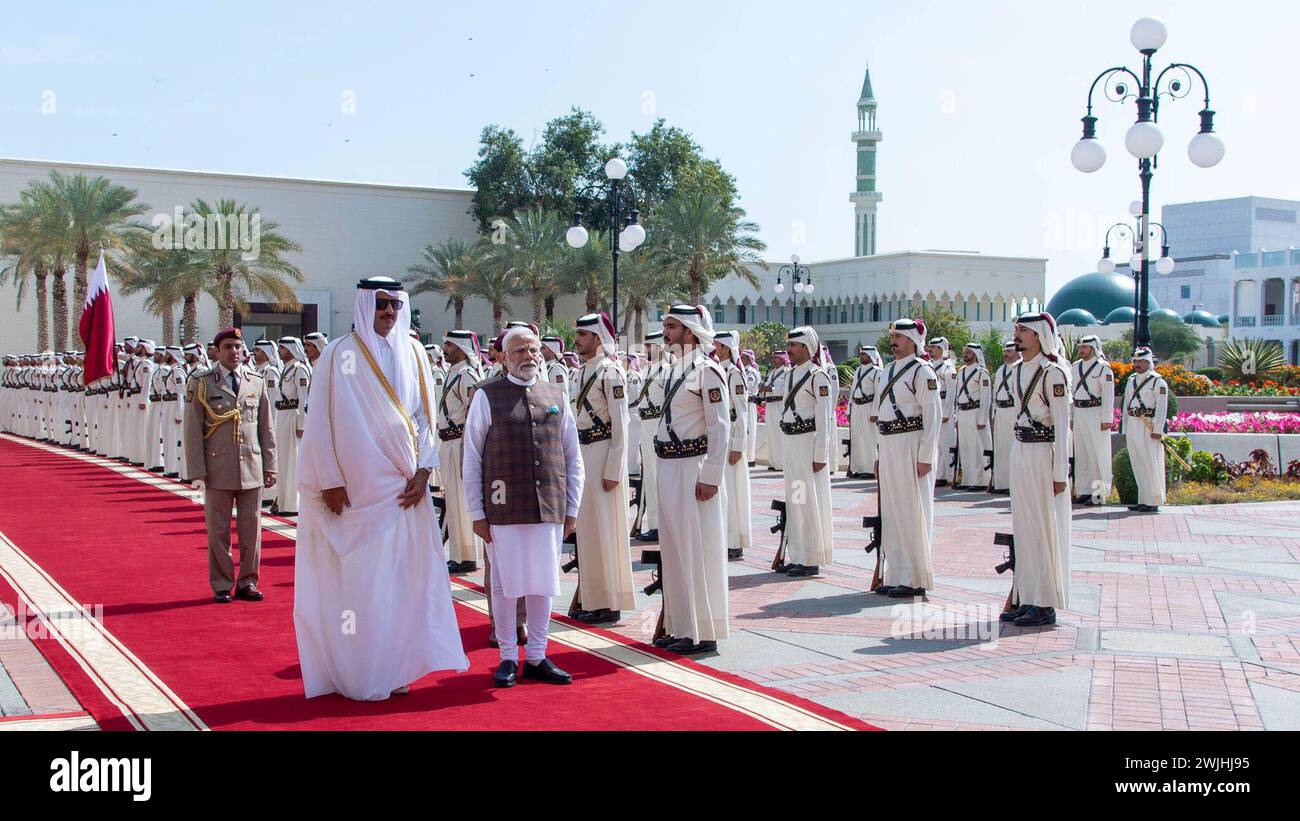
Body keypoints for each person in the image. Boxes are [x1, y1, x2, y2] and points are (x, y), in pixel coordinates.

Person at [293, 276, 468, 700]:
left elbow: (426, 418)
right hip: (356, 492)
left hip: (406, 490)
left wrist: (426, 470)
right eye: (381, 304)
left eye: (394, 304)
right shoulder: (339, 355)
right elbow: (321, 423)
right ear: (364, 305)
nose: (389, 312)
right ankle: (359, 669)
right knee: (363, 585)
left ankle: (396, 666)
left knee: (402, 583)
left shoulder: (413, 353)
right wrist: (330, 480)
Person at [463, 326, 583, 687]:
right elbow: (471, 458)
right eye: (519, 351)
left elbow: (572, 456)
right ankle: (506, 658)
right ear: (502, 357)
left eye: (533, 350)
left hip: (547, 506)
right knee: (504, 585)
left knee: (542, 583)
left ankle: (537, 656)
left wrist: (572, 508)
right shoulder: (487, 396)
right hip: (502, 509)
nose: (529, 357)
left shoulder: (556, 395)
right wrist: (476, 512)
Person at [653, 305, 731, 654]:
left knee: (696, 550)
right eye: (666, 326)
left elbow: (720, 427)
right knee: (673, 551)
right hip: (669, 465)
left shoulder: (707, 371)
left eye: (672, 326)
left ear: (689, 331)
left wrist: (712, 475)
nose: (666, 332)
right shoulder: (673, 370)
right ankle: (681, 625)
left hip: (693, 467)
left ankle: (702, 632)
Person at [182, 327, 277, 603]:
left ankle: (248, 582)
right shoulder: (202, 383)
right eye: (228, 347)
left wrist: (271, 465)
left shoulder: (255, 381)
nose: (235, 352)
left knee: (252, 530)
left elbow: (266, 429)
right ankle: (222, 583)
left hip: (252, 468)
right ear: (216, 351)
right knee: (219, 531)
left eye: (238, 346)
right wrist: (197, 472)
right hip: (218, 468)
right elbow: (192, 431)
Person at [1004, 312, 1072, 627]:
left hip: (1043, 452)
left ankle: (1044, 603)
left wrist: (1061, 473)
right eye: (1016, 329)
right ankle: (1027, 595)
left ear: (1039, 335)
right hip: (1021, 449)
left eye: (1023, 330)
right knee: (1025, 527)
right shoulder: (1018, 371)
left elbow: (1062, 427)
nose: (1017, 335)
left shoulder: (1052, 373)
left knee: (1043, 528)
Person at [569, 312, 635, 624]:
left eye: (583, 334)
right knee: (588, 531)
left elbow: (621, 423)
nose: (578, 340)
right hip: (583, 453)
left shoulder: (610, 372)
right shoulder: (582, 372)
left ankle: (608, 601)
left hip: (602, 452)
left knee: (605, 530)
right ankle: (591, 597)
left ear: (597, 337)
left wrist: (614, 468)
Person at [871, 318, 942, 598]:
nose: (894, 340)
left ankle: (915, 577)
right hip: (889, 444)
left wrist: (926, 455)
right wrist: (879, 454)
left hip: (911, 444)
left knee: (913, 511)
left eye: (899, 336)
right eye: (893, 335)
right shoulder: (887, 370)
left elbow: (933, 416)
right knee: (892, 512)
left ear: (913, 340)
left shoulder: (923, 372)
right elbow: (881, 416)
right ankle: (896, 573)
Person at [775, 327, 835, 577]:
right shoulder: (789, 375)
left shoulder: (818, 376)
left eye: (794, 345)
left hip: (807, 443)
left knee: (808, 501)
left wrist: (820, 455)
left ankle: (810, 557)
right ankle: (797, 554)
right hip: (791, 443)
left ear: (807, 348)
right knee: (795, 499)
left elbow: (825, 418)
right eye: (788, 345)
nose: (789, 349)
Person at [439, 330, 486, 575]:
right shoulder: (453, 373)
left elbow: (472, 414)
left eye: (449, 344)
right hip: (448, 442)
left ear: (460, 347)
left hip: (460, 442)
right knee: (453, 500)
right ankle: (459, 553)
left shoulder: (467, 375)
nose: (444, 348)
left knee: (462, 500)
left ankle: (467, 555)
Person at [713, 329, 751, 561]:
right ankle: (724, 539)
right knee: (722, 490)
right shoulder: (719, 371)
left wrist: (739, 445)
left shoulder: (734, 374)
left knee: (732, 491)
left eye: (717, 345)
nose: (713, 349)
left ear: (726, 348)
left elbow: (742, 410)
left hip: (731, 439)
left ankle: (733, 542)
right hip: (720, 437)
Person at [1120, 347, 1169, 513]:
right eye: (1135, 361)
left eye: (1140, 361)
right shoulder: (1131, 380)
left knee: (1150, 462)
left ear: (1148, 362)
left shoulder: (1158, 382)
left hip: (1148, 424)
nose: (1137, 364)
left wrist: (1158, 429)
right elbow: (1126, 406)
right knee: (1138, 462)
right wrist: (1124, 429)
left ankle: (1153, 500)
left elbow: (1162, 408)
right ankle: (1143, 499)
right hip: (1133, 423)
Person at [634, 329, 671, 542]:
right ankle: (654, 524)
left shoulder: (667, 370)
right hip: (646, 425)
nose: (647, 349)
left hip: (658, 425)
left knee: (660, 477)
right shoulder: (649, 370)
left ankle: (662, 525)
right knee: (649, 476)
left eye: (650, 346)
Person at [1071, 335, 1115, 505]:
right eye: (1080, 347)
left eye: (1085, 347)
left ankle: (1098, 494)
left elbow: (1108, 396)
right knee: (1081, 454)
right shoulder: (1075, 367)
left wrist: (1106, 419)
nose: (1081, 351)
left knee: (1097, 455)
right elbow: (1072, 393)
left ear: (1094, 348)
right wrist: (1072, 416)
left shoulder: (1104, 369)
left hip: (1096, 413)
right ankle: (1083, 491)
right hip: (1080, 412)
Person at [273, 337, 312, 516]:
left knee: (292, 460)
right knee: (283, 460)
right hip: (283, 416)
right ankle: (282, 501)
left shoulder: (299, 369)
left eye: (283, 347)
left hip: (293, 417)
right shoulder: (287, 369)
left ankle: (292, 504)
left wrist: (301, 424)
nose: (280, 350)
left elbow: (304, 400)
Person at [953, 342, 992, 490]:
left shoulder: (982, 373)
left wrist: (982, 418)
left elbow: (986, 397)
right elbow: (958, 395)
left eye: (969, 352)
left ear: (975, 355)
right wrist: (956, 416)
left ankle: (980, 481)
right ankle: (967, 480)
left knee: (977, 447)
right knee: (965, 446)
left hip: (976, 413)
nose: (966, 354)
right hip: (963, 413)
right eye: (965, 352)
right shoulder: (961, 371)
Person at [927, 337, 959, 487]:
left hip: (944, 405)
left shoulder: (948, 368)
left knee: (946, 444)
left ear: (941, 349)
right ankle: (940, 474)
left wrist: (946, 413)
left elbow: (952, 392)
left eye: (934, 347)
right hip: (933, 406)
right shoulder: (930, 366)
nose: (931, 350)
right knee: (936, 444)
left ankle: (951, 476)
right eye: (930, 347)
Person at [989, 340, 1020, 494]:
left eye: (1009, 351)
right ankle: (1001, 483)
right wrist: (994, 413)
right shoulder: (1001, 370)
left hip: (1013, 410)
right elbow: (995, 392)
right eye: (1005, 351)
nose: (1005, 354)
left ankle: (1012, 484)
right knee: (1001, 448)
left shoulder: (1020, 368)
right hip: (1001, 411)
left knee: (1013, 447)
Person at [847, 345, 882, 479]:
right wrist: (848, 409)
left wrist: (875, 411)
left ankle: (870, 469)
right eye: (861, 354)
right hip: (857, 407)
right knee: (857, 438)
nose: (861, 357)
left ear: (871, 356)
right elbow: (853, 390)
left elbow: (878, 393)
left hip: (868, 407)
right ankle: (858, 468)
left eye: (864, 355)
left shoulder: (877, 372)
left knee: (869, 439)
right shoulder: (858, 370)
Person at [760, 352, 790, 471]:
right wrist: (762, 389)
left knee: (779, 434)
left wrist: (771, 389)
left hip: (780, 405)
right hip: (770, 405)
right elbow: (766, 389)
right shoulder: (772, 372)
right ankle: (773, 461)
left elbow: (787, 389)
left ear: (783, 359)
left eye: (777, 358)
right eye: (773, 357)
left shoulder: (787, 372)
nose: (774, 360)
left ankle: (782, 463)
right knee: (771, 434)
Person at [741, 350, 762, 467]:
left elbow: (748, 388)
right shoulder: (744, 370)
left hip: (749, 403)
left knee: (749, 431)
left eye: (743, 357)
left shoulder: (750, 372)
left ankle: (750, 458)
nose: (741, 359)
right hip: (744, 404)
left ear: (748, 359)